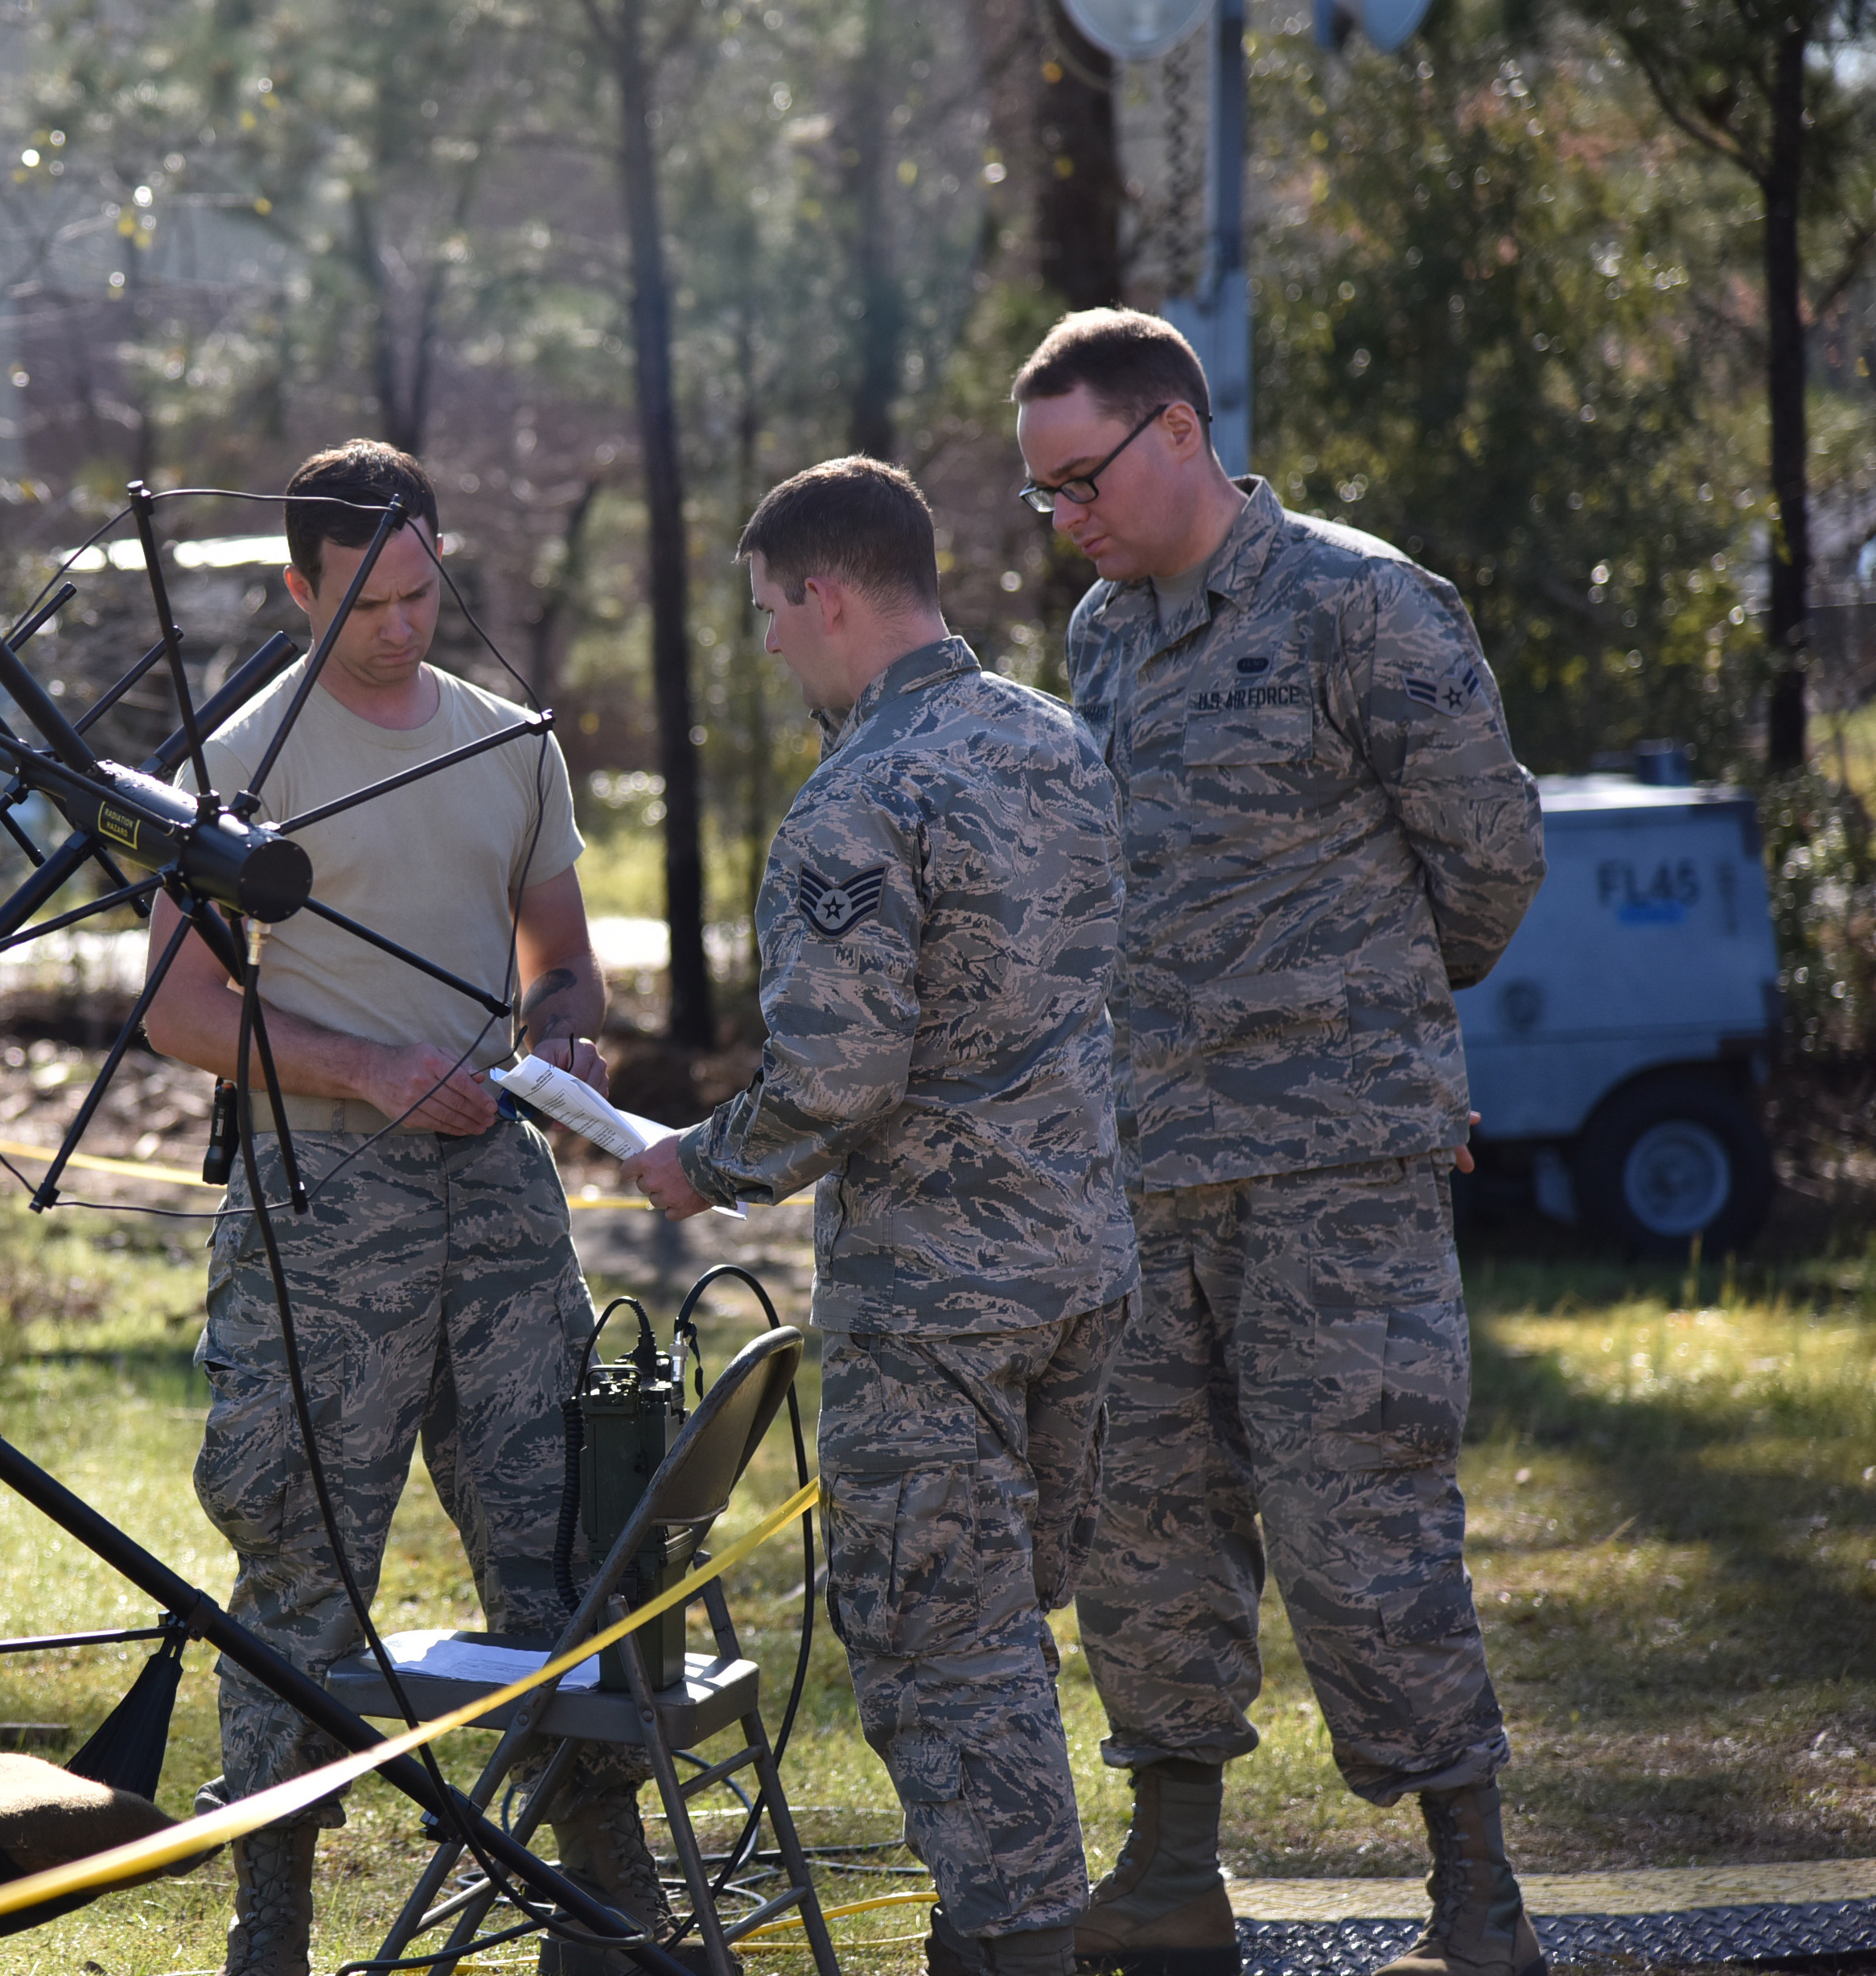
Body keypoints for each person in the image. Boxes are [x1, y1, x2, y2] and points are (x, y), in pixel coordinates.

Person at [1008, 308, 1548, 1976]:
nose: (1066, 520)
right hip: (1146, 1164)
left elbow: (1491, 863)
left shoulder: (1361, 603)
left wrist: (1360, 1037)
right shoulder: (1103, 633)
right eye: (1042, 496)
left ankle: (1475, 1896)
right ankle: (1174, 1874)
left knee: (1361, 1524)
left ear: (1180, 431)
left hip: (1335, 1171)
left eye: (1080, 479)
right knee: (1144, 1523)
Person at [142, 441, 652, 1976]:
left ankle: (603, 1904)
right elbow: (173, 1009)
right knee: (297, 1561)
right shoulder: (237, 767)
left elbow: (560, 957)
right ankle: (272, 1924)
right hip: (321, 1203)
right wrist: (364, 1068)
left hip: (497, 1186)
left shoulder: (511, 744)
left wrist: (563, 1035)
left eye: (427, 592)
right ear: (300, 590)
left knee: (558, 1535)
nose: (405, 625)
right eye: (369, 601)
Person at [624, 457, 1137, 1976]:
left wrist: (698, 1162)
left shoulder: (856, 802)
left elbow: (838, 1078)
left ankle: (1012, 1942)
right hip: (1085, 1270)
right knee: (1008, 1634)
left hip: (938, 1307)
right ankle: (998, 1923)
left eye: (772, 612)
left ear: (827, 595)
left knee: (941, 1647)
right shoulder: (1058, 744)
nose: (770, 642)